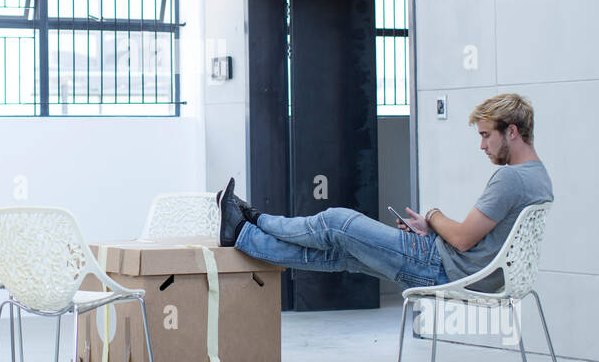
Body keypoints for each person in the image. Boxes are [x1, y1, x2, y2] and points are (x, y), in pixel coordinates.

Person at [218, 93, 553, 294]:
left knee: (337, 222)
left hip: (443, 267)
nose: (482, 145)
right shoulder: (539, 178)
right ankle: (244, 235)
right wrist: (431, 228)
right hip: (458, 267)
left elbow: (464, 239)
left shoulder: (510, 179)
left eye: (486, 136)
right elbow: (478, 239)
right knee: (342, 254)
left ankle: (254, 219)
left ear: (511, 131)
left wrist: (433, 217)